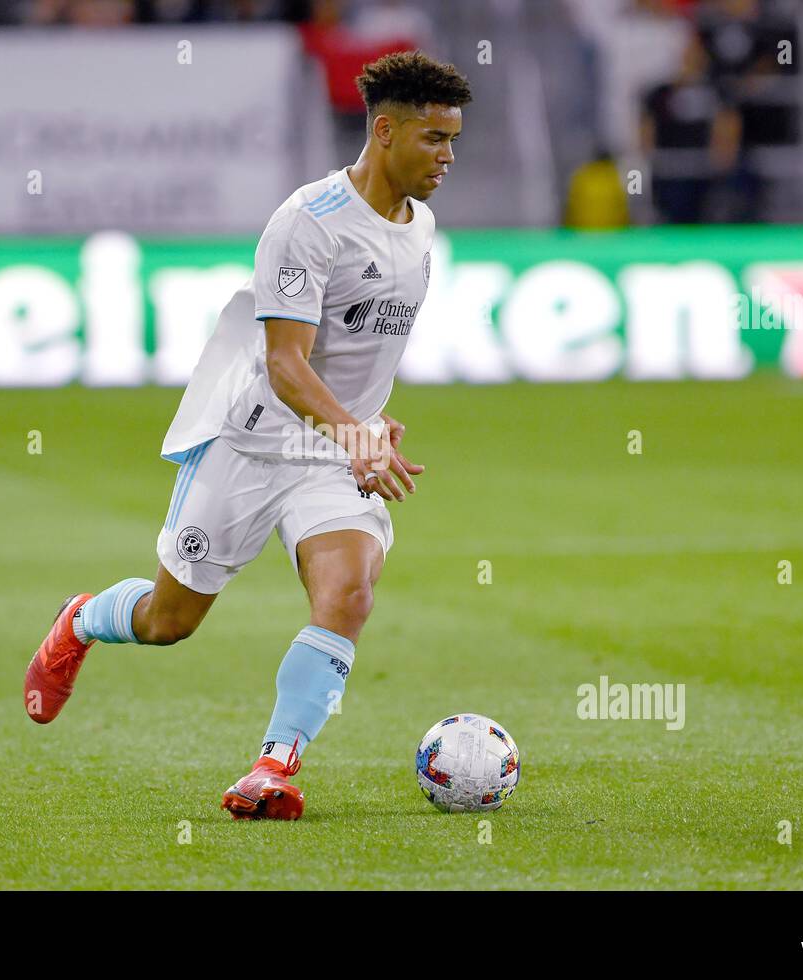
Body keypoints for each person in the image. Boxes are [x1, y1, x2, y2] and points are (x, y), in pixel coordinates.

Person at [23, 50, 471, 820]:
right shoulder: (308, 224)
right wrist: (352, 429)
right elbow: (286, 364)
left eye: (454, 139)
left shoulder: (420, 227)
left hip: (333, 455)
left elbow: (365, 349)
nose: (448, 157)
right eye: (433, 138)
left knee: (348, 592)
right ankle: (81, 620)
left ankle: (274, 766)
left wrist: (371, 421)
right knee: (169, 622)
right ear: (385, 130)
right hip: (255, 442)